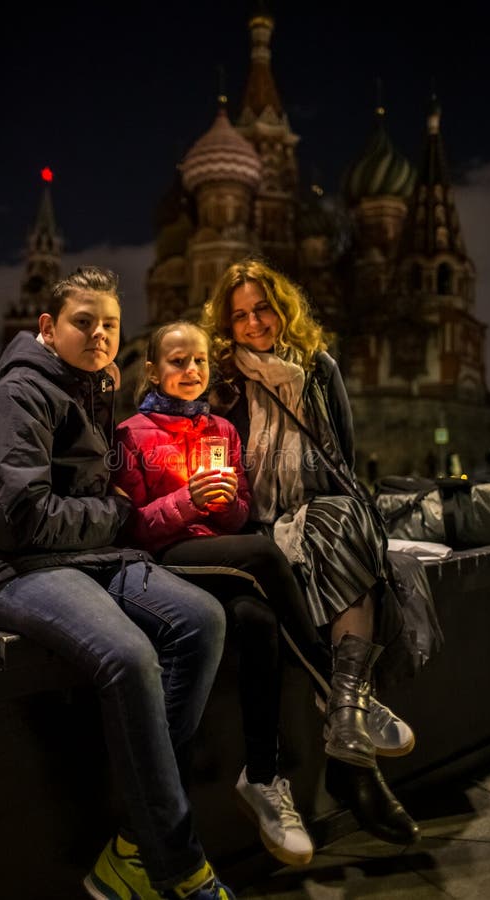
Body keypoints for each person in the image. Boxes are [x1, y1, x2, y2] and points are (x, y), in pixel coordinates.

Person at [0, 266, 235, 900]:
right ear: (48, 328)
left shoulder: (88, 392)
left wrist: (113, 516)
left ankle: (133, 840)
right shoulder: (20, 395)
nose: (100, 334)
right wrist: (120, 512)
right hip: (2, 567)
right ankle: (176, 867)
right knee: (128, 656)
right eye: (83, 321)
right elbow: (19, 520)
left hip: (81, 558)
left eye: (110, 325)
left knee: (202, 620)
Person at [201, 257, 422, 844]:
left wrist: (321, 522)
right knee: (323, 581)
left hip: (319, 516)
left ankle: (347, 725)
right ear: (227, 325)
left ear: (284, 306)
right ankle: (351, 738)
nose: (254, 324)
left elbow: (343, 463)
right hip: (255, 525)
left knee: (345, 527)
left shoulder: (318, 369)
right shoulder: (221, 382)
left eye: (263, 308)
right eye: (240, 316)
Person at [110, 320, 316, 867]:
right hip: (165, 561)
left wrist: (221, 502)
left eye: (199, 361)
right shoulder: (130, 434)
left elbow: (240, 510)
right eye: (177, 362)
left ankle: (264, 777)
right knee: (264, 553)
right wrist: (189, 501)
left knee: (257, 621)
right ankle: (330, 680)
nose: (191, 371)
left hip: (217, 560)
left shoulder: (221, 430)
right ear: (153, 369)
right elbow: (129, 527)